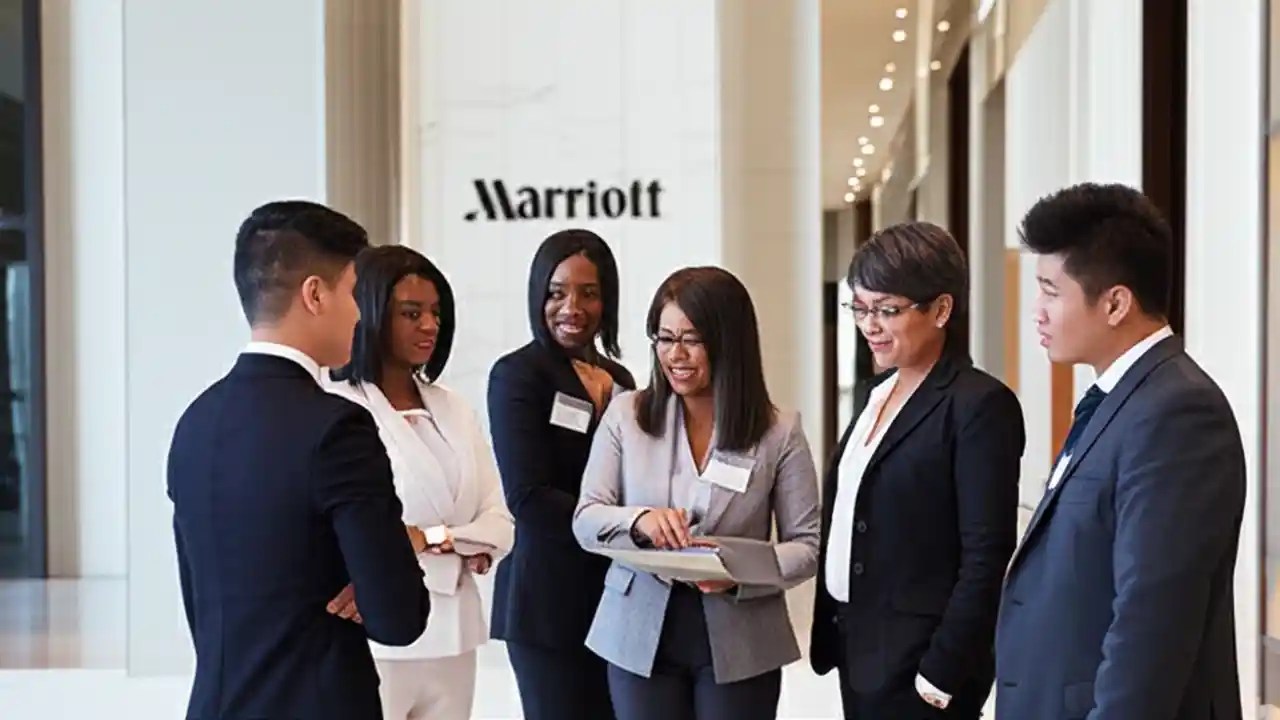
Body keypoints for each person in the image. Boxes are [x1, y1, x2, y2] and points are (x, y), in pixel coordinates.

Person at [167, 201, 431, 719]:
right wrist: (381, 567)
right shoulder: (337, 428)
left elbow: (202, 598)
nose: (361, 314)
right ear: (315, 294)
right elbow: (400, 618)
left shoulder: (194, 422)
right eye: (354, 294)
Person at [995, 182, 1246, 720]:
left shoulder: (1177, 414)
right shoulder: (1118, 400)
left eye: (1050, 291)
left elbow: (1151, 623)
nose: (1036, 312)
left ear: (1115, 303)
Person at [572, 266, 821, 720]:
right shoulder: (625, 416)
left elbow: (806, 547)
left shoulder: (778, 432)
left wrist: (738, 573)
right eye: (664, 338)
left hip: (742, 637)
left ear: (730, 341)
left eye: (692, 339)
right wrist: (638, 520)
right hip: (638, 632)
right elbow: (586, 519)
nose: (676, 355)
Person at [808, 222, 1024, 719]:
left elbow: (986, 555)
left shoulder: (979, 405)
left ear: (941, 309)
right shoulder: (873, 394)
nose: (869, 325)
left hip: (921, 665)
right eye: (859, 308)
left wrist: (943, 672)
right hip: (857, 646)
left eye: (887, 310)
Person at [322, 246, 514, 720]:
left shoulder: (453, 406)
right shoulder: (336, 406)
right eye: (411, 313)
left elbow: (500, 524)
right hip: (375, 636)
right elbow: (354, 532)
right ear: (371, 315)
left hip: (455, 637)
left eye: (435, 313)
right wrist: (461, 543)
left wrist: (428, 538)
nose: (429, 325)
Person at [487, 229, 634, 720]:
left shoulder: (623, 382)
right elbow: (526, 496)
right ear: (538, 296)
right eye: (557, 292)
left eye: (588, 293)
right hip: (546, 601)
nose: (572, 307)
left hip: (614, 598)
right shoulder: (518, 375)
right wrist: (623, 523)